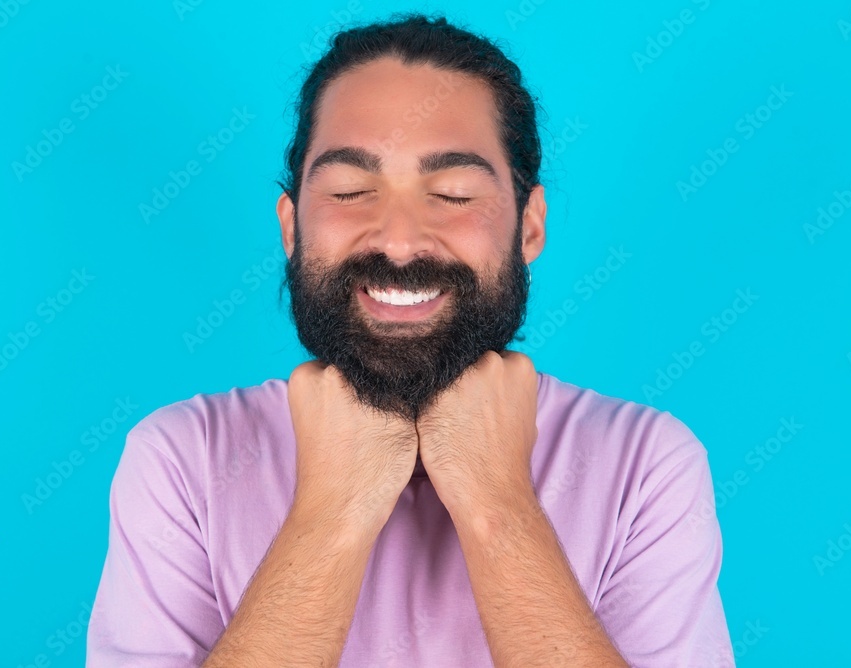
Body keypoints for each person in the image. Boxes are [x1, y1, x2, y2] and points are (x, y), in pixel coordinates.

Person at [87, 13, 735, 667]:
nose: (398, 241)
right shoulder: (183, 459)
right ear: (292, 229)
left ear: (530, 228)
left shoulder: (645, 466)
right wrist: (331, 515)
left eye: (452, 194)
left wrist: (497, 504)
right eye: (351, 190)